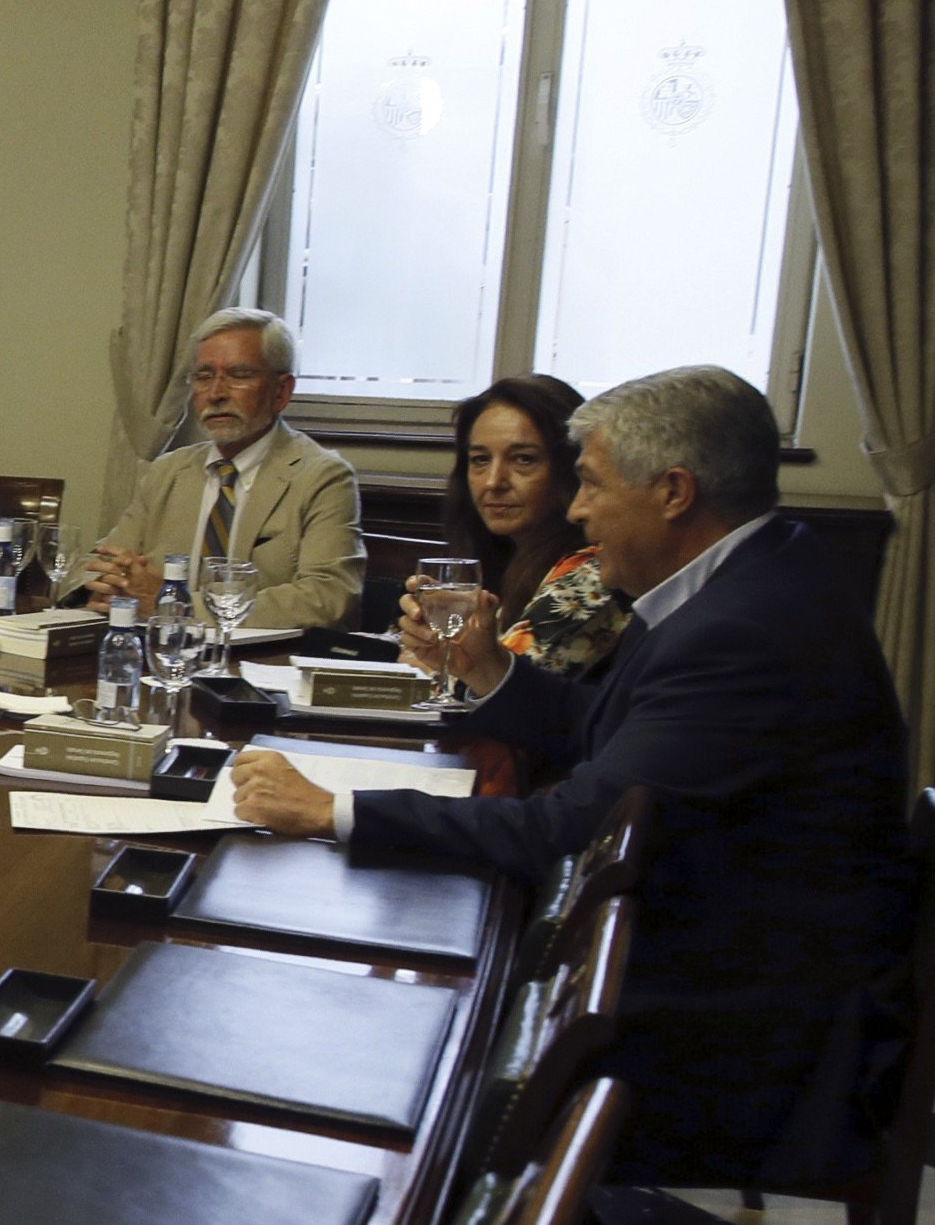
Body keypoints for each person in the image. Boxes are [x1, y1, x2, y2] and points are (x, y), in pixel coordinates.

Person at [229, 366, 911, 1184]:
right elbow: (598, 727)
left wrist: (331, 809)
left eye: (588, 482)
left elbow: (564, 830)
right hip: (711, 946)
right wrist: (489, 673)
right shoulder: (747, 576)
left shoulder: (743, 630)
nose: (577, 510)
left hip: (729, 1024)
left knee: (375, 1038)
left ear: (674, 491)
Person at [87, 307, 360, 627]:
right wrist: (107, 582)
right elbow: (103, 560)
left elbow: (328, 597)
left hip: (257, 666)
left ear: (281, 391)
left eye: (239, 375)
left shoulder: (322, 477)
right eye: (203, 377)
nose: (215, 393)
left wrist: (177, 606)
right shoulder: (168, 471)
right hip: (155, 654)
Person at [445, 374, 626, 675]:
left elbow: (494, 684)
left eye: (524, 460)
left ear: (572, 468)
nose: (493, 482)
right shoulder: (494, 555)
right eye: (479, 460)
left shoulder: (592, 573)